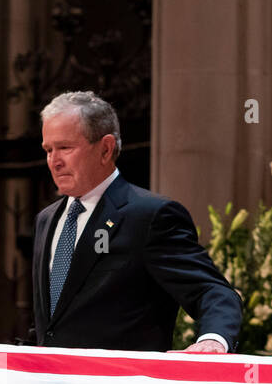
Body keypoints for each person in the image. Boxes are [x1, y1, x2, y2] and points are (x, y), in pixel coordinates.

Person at [32, 91, 242, 354]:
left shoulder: (151, 216)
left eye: (65, 148)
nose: (54, 161)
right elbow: (57, 322)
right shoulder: (46, 219)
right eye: (48, 150)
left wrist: (212, 342)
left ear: (106, 149)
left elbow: (213, 292)